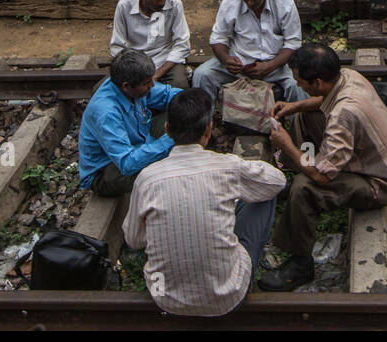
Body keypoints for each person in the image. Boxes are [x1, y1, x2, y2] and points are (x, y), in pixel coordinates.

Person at [122, 88, 286, 317]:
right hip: (229, 295)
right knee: (264, 195)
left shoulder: (147, 178)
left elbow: (134, 240)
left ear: (167, 130)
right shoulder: (227, 166)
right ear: (208, 129)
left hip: (165, 297)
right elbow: (277, 182)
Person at [259, 43, 387, 291]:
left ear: (316, 81)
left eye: (301, 82)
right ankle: (304, 171)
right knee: (307, 115)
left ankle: (300, 263)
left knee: (306, 186)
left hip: (377, 185)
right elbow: (323, 101)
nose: (299, 87)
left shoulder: (343, 115)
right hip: (368, 159)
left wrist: (286, 143)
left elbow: (320, 177)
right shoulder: (347, 75)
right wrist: (295, 106)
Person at [192, 0, 308, 104]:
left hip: (277, 64)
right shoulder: (231, 2)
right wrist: (226, 60)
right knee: (202, 75)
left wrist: (269, 66)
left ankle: (299, 124)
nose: (250, 2)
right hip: (240, 63)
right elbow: (218, 38)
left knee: (298, 85)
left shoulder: (284, 2)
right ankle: (204, 124)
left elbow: (293, 43)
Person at [78, 48, 182, 196]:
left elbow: (168, 95)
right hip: (107, 170)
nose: (152, 85)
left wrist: (192, 102)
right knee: (162, 175)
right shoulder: (106, 112)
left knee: (183, 117)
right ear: (127, 86)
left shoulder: (134, 86)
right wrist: (173, 138)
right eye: (147, 83)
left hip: (139, 143)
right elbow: (127, 163)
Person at [110, 0, 191, 89]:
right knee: (107, 90)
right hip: (134, 64)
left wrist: (157, 75)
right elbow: (117, 46)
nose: (162, 2)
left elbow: (182, 45)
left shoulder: (174, 4)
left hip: (165, 62)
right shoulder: (124, 6)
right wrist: (135, 71)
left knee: (179, 87)